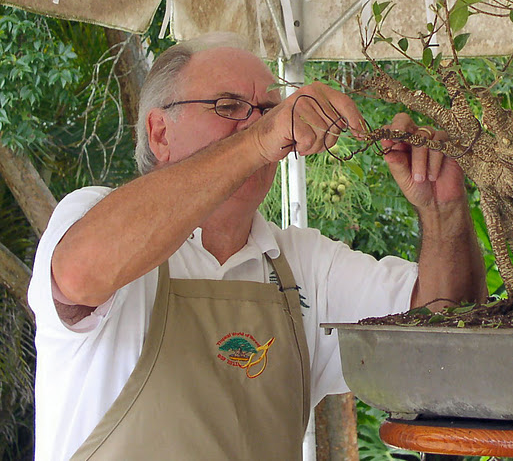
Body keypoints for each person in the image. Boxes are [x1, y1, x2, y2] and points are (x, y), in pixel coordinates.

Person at [28, 32, 487, 460]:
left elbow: (443, 341)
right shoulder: (92, 215)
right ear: (160, 134)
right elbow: (79, 275)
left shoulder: (304, 264)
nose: (259, 125)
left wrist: (443, 211)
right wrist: (259, 139)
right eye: (228, 106)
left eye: (268, 111)